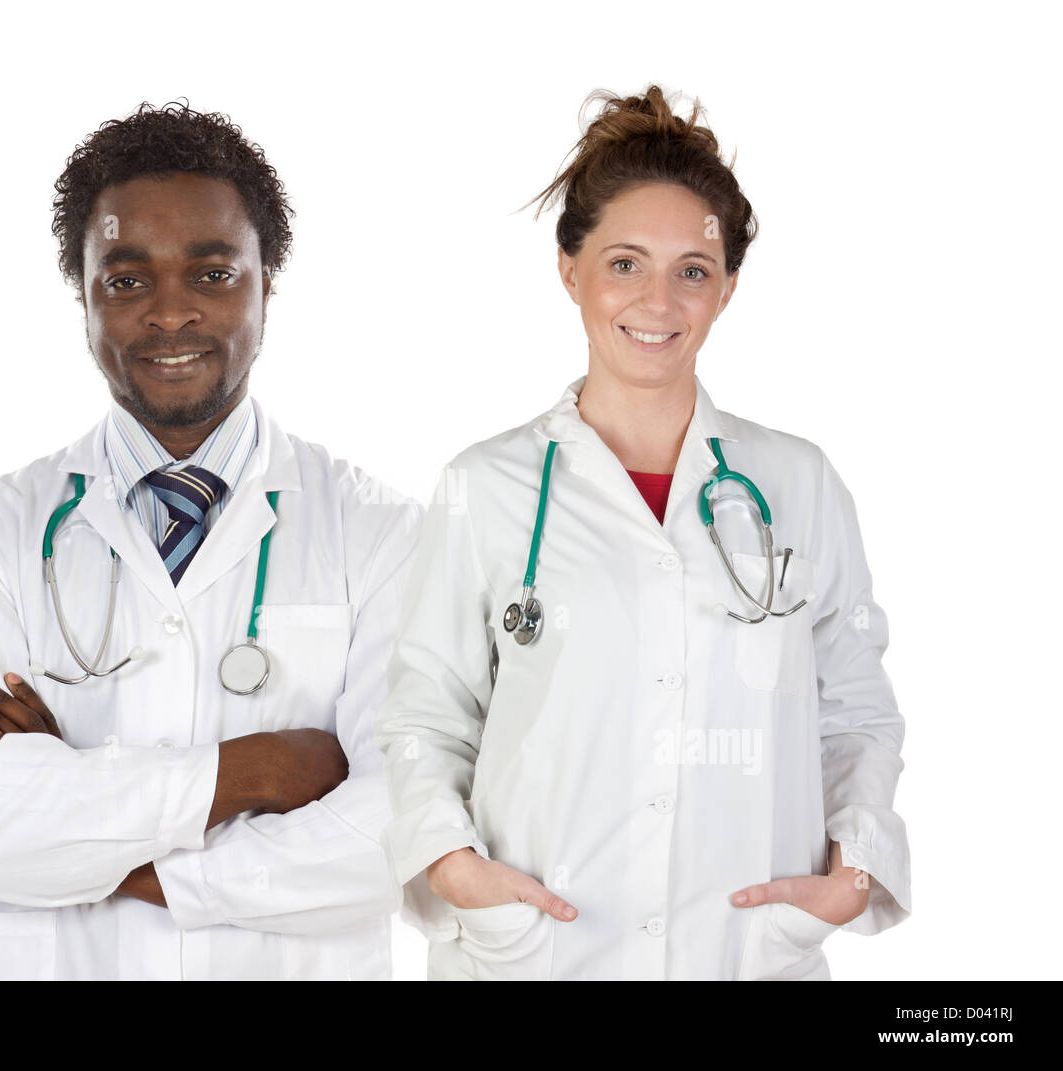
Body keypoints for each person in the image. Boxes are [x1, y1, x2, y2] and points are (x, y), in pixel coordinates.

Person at [375, 85, 911, 980]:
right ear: (569, 268)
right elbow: (427, 715)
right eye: (625, 263)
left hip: (743, 949)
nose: (658, 300)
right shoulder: (488, 485)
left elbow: (854, 709)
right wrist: (451, 864)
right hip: (539, 949)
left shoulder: (798, 482)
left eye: (692, 270)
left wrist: (853, 870)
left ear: (727, 287)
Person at [0, 102, 422, 981]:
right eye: (127, 280)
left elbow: (395, 831)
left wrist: (104, 848)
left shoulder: (383, 535)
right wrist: (247, 774)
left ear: (266, 283)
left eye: (212, 273)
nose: (171, 316)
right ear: (85, 295)